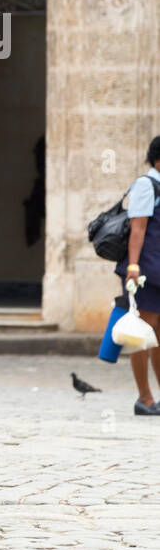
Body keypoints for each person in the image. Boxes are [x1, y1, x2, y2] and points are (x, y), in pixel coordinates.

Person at [115, 136, 160, 416]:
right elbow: (138, 228)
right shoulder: (146, 185)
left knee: (157, 335)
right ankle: (144, 398)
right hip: (145, 271)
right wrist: (133, 266)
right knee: (140, 334)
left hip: (159, 269)